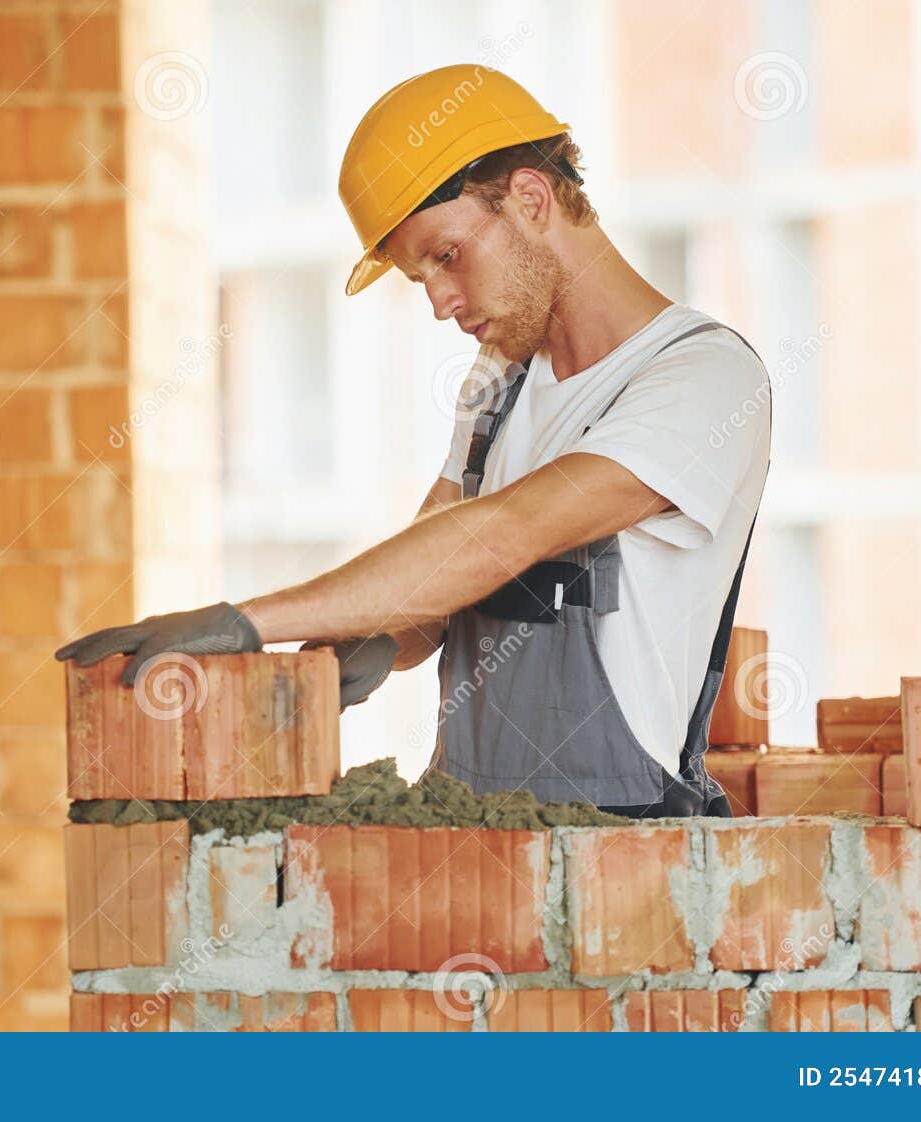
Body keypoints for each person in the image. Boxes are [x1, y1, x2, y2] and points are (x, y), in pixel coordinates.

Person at [57, 65, 771, 818]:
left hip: (621, 847)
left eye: (447, 256)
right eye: (417, 276)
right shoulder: (500, 378)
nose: (438, 303)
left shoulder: (704, 377)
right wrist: (358, 647)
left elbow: (505, 532)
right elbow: (438, 565)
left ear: (530, 200)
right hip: (467, 829)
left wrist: (250, 620)